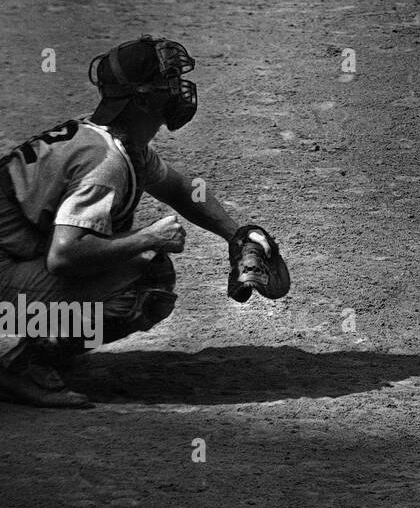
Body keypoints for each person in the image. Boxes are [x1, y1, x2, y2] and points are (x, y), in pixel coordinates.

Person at [0, 35, 289, 408]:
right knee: (148, 279)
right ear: (141, 97)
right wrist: (148, 238)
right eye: (168, 82)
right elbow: (64, 257)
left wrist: (235, 234)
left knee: (125, 253)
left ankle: (43, 344)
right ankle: (28, 365)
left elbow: (180, 188)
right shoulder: (105, 163)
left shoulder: (111, 140)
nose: (178, 90)